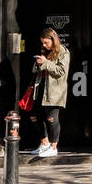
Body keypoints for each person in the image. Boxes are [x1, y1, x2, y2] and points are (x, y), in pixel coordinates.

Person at [28, 28, 70, 158]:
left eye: (46, 43)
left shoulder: (63, 52)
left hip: (54, 91)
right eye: (43, 43)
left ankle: (53, 147)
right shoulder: (45, 52)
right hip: (41, 88)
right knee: (34, 116)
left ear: (53, 39)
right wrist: (38, 63)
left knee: (52, 119)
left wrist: (45, 63)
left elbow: (61, 71)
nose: (44, 46)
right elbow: (36, 71)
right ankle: (45, 143)